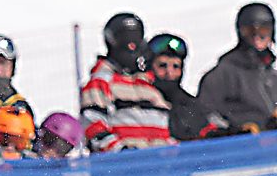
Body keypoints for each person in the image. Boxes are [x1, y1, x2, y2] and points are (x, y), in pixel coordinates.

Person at [82, 13, 171, 151]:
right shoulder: (103, 81)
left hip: (158, 160)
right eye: (126, 41)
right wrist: (121, 152)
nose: (131, 47)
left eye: (135, 41)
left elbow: (165, 127)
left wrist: (172, 152)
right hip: (125, 160)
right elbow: (92, 123)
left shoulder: (149, 85)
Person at [196, 3, 277, 132]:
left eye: (263, 30)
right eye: (250, 31)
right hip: (241, 142)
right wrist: (235, 130)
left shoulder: (272, 76)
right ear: (240, 33)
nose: (257, 37)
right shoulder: (224, 73)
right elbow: (206, 113)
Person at [149, 34, 229, 141]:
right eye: (162, 66)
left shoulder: (191, 105)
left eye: (176, 66)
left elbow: (209, 130)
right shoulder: (140, 99)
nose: (169, 73)